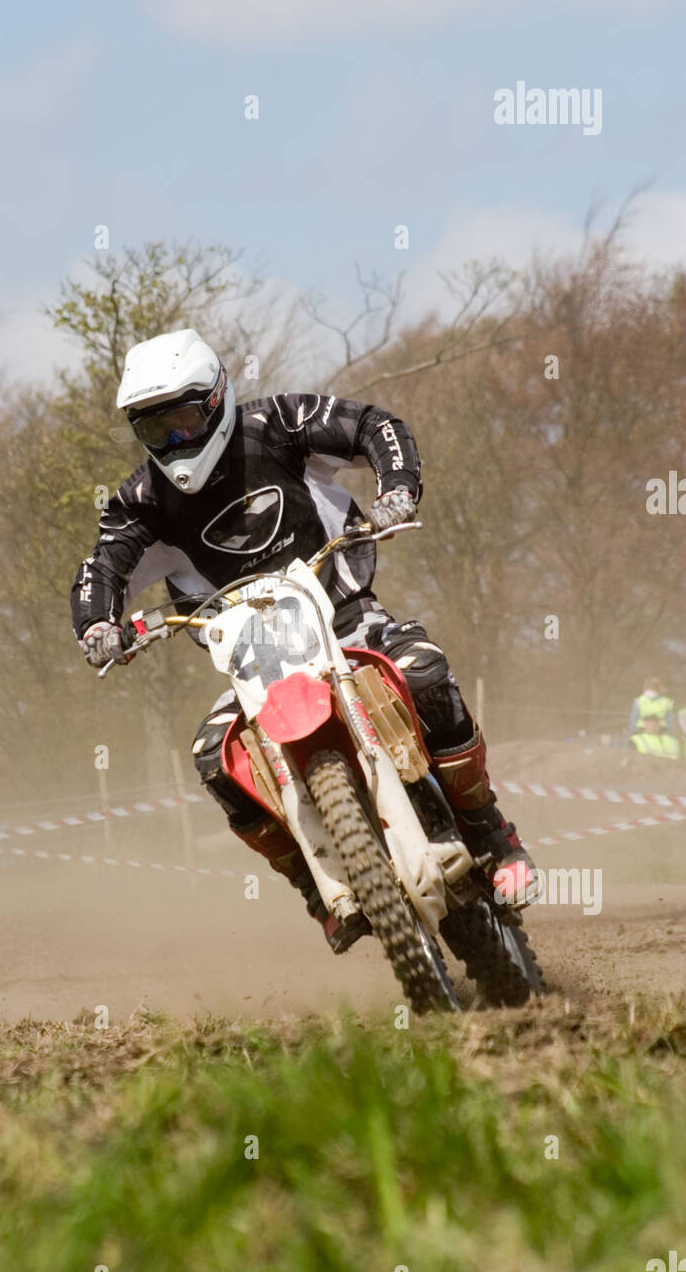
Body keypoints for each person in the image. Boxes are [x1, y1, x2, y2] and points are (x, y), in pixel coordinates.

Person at [71, 329, 538, 953]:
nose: (176, 443)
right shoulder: (140, 502)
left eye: (184, 421)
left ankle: (490, 834)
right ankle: (316, 888)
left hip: (347, 619)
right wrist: (99, 625)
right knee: (214, 760)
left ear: (215, 401)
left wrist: (396, 488)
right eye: (157, 432)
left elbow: (377, 424)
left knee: (423, 672)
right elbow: (100, 569)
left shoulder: (278, 425)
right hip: (252, 665)